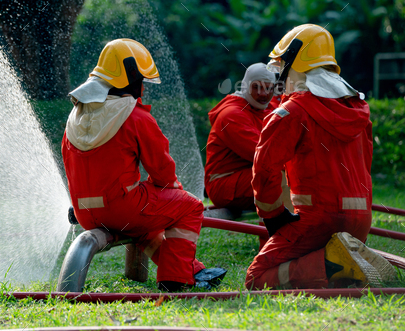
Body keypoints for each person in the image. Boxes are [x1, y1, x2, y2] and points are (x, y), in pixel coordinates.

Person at [62, 39, 225, 292]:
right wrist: (173, 192)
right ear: (132, 79)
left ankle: (194, 270)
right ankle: (175, 279)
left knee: (143, 221)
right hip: (122, 209)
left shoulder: (75, 118)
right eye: (142, 82)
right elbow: (162, 170)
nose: (143, 89)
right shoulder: (136, 116)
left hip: (84, 213)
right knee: (190, 206)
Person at [245, 24, 396, 290]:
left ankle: (331, 263)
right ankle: (348, 266)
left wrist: (274, 216)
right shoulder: (359, 109)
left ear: (294, 63)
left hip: (317, 219)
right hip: (361, 220)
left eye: (281, 67)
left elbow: (265, 167)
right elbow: (365, 165)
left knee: (257, 277)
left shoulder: (292, 112)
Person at [203, 63, 279, 215]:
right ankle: (281, 234)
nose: (264, 93)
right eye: (256, 87)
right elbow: (265, 156)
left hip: (247, 176)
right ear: (245, 86)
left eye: (269, 88)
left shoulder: (265, 108)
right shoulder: (232, 114)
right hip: (223, 185)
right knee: (282, 175)